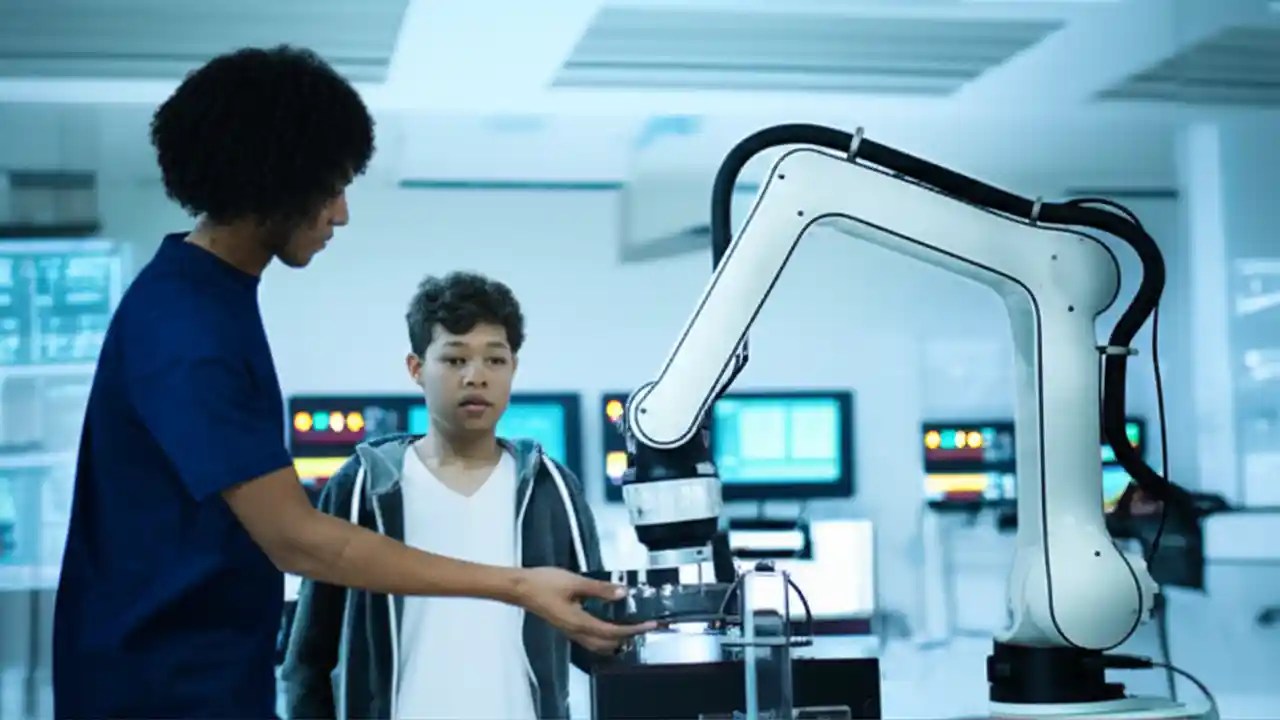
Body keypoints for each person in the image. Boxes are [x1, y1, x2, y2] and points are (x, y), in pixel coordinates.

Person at [51, 46, 647, 720]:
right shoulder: (188, 329)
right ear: (274, 179)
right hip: (162, 694)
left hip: (201, 681)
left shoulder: (210, 299)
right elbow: (298, 539)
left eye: (495, 358)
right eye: (331, 186)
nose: (341, 214)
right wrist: (516, 586)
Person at [282, 271, 611, 720]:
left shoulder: (551, 489)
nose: (476, 378)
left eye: (495, 361)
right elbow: (308, 657)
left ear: (513, 367)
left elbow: (598, 639)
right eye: (455, 360)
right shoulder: (364, 487)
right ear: (416, 369)